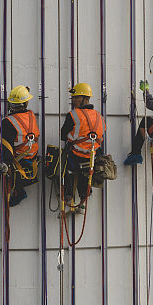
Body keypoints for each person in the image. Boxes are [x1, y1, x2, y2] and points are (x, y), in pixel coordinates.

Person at [59, 82, 105, 213]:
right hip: (93, 156)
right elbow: (101, 135)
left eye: (76, 97)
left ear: (85, 98)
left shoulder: (73, 115)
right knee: (84, 173)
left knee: (63, 169)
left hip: (75, 155)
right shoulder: (99, 117)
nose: (73, 100)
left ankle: (68, 199)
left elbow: (63, 135)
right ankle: (83, 201)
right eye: (73, 98)